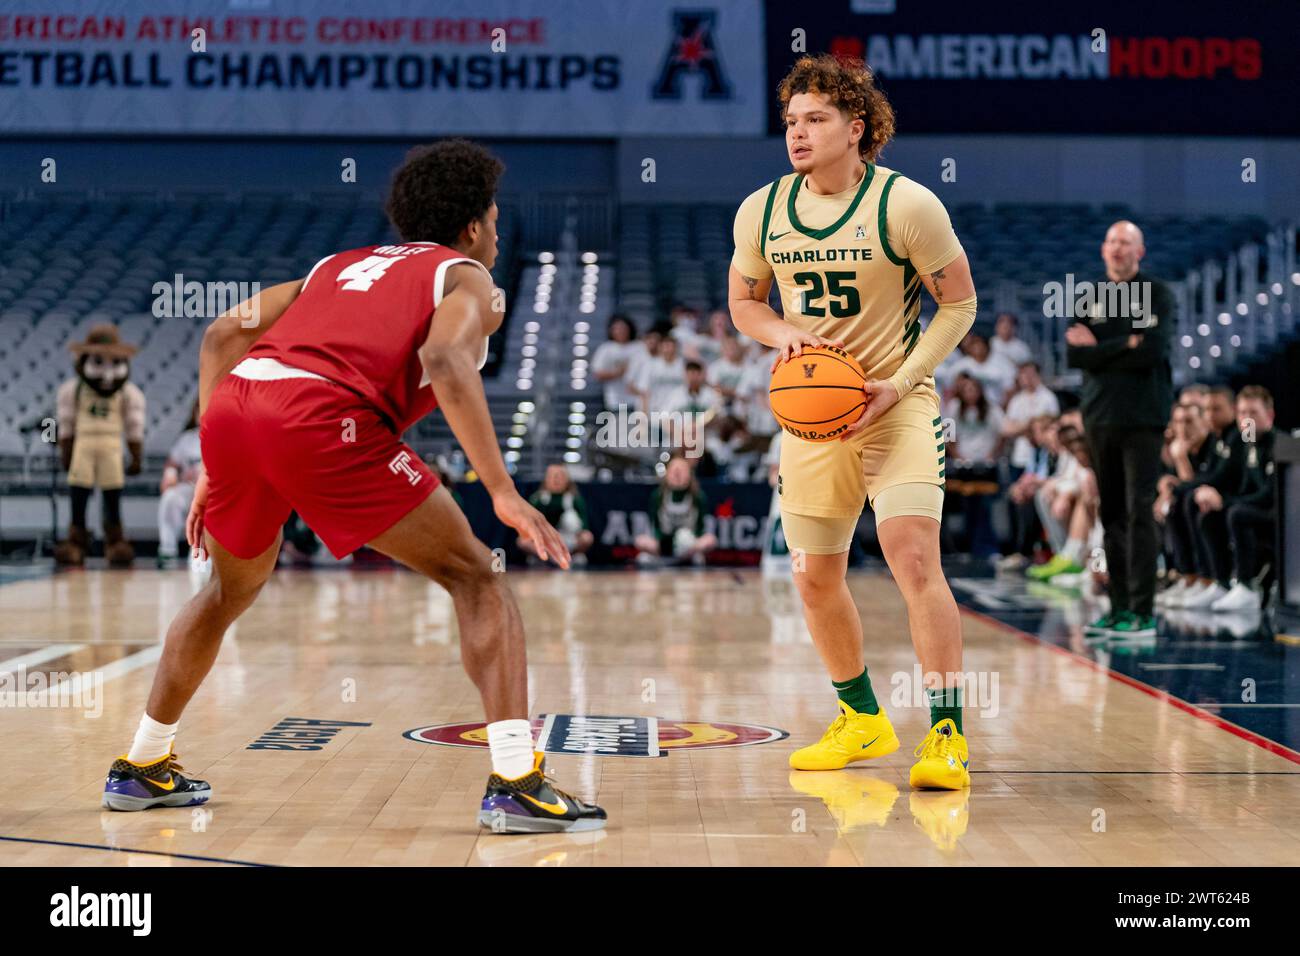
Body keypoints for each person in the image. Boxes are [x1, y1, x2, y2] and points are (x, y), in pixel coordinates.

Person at [102, 139, 605, 833]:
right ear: (471, 228)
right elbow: (443, 358)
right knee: (477, 578)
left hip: (239, 409)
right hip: (320, 417)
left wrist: (214, 467)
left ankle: (141, 765)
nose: (497, 234)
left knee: (223, 591)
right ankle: (518, 780)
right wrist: (502, 490)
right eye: (494, 220)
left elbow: (222, 334)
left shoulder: (336, 265)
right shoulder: (470, 281)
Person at [729, 54, 979, 790]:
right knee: (812, 578)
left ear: (856, 127)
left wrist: (900, 385)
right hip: (812, 417)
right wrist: (784, 337)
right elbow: (746, 304)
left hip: (895, 406)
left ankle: (945, 735)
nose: (797, 135)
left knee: (912, 559)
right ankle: (862, 717)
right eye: (790, 122)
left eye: (815, 120)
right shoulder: (762, 210)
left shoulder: (907, 206)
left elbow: (959, 304)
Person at [1066, 220, 1176, 637]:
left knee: (1139, 511)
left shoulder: (1158, 294)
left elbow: (1152, 352)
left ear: (1140, 252)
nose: (1117, 248)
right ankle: (1117, 608)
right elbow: (1075, 358)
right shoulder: (1087, 295)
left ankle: (1143, 612)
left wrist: (1100, 349)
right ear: (1103, 249)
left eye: (1126, 242)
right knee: (1110, 513)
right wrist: (1123, 344)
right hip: (1099, 418)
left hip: (1144, 417)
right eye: (1112, 241)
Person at [1187, 386, 1276, 612]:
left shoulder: (1277, 444)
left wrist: (1226, 503)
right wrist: (1219, 501)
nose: (1247, 419)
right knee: (1209, 515)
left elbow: (1269, 495)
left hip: (1278, 516)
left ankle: (1246, 586)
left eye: (1253, 413)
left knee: (1236, 513)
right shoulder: (1248, 445)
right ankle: (1220, 582)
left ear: (1269, 415)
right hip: (1254, 509)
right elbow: (1244, 489)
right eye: (1243, 413)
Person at [634, 454, 718, 564]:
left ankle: (686, 556)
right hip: (663, 545)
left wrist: (690, 543)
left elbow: (701, 528)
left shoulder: (698, 496)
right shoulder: (658, 496)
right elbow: (654, 526)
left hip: (690, 545)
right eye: (674, 471)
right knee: (640, 541)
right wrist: (666, 544)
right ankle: (669, 557)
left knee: (710, 540)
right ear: (666, 474)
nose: (678, 475)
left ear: (689, 475)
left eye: (682, 471)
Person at [157, 401, 203, 566]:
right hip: (188, 486)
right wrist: (170, 475)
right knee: (170, 497)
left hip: (213, 491)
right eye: (200, 409)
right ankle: (167, 550)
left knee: (208, 503)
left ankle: (201, 551)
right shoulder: (187, 438)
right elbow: (172, 463)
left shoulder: (225, 436)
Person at [522, 463, 594, 562]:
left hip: (568, 540)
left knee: (587, 537)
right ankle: (546, 557)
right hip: (543, 540)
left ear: (567, 480)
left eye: (560, 476)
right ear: (546, 479)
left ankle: (567, 556)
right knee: (522, 541)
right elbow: (528, 525)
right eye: (552, 476)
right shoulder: (537, 499)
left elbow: (584, 527)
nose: (556, 479)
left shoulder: (575, 499)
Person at [1001, 362, 1060, 472]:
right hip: (1020, 456)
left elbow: (1053, 426)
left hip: (1044, 454)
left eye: (1030, 374)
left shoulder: (1049, 398)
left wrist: (1022, 427)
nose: (1026, 378)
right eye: (1023, 375)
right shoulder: (1016, 400)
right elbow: (1006, 429)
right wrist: (1029, 424)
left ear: (1038, 375)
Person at [591, 313, 640, 413]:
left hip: (637, 402)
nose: (621, 332)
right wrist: (618, 372)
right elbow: (598, 374)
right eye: (617, 329)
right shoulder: (606, 348)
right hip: (614, 401)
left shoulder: (639, 347)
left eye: (623, 328)